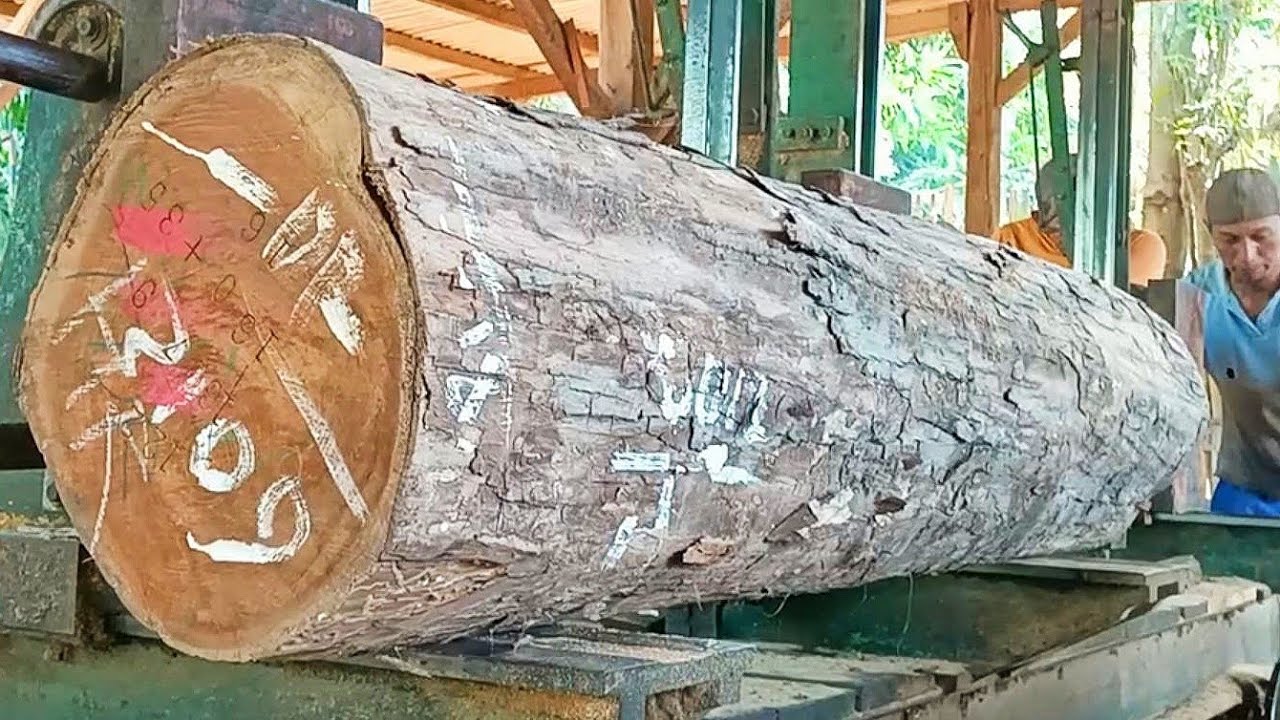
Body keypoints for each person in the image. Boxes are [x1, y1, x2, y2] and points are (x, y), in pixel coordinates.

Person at [1177, 168, 1280, 516]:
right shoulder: (1195, 298)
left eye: (1261, 237)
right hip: (1243, 486)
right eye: (1230, 240)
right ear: (1211, 235)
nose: (1247, 256)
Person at [993, 160, 1168, 287]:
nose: (1074, 231)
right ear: (1041, 213)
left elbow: (1120, 309)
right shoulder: (1008, 239)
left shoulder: (1140, 246)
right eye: (1058, 220)